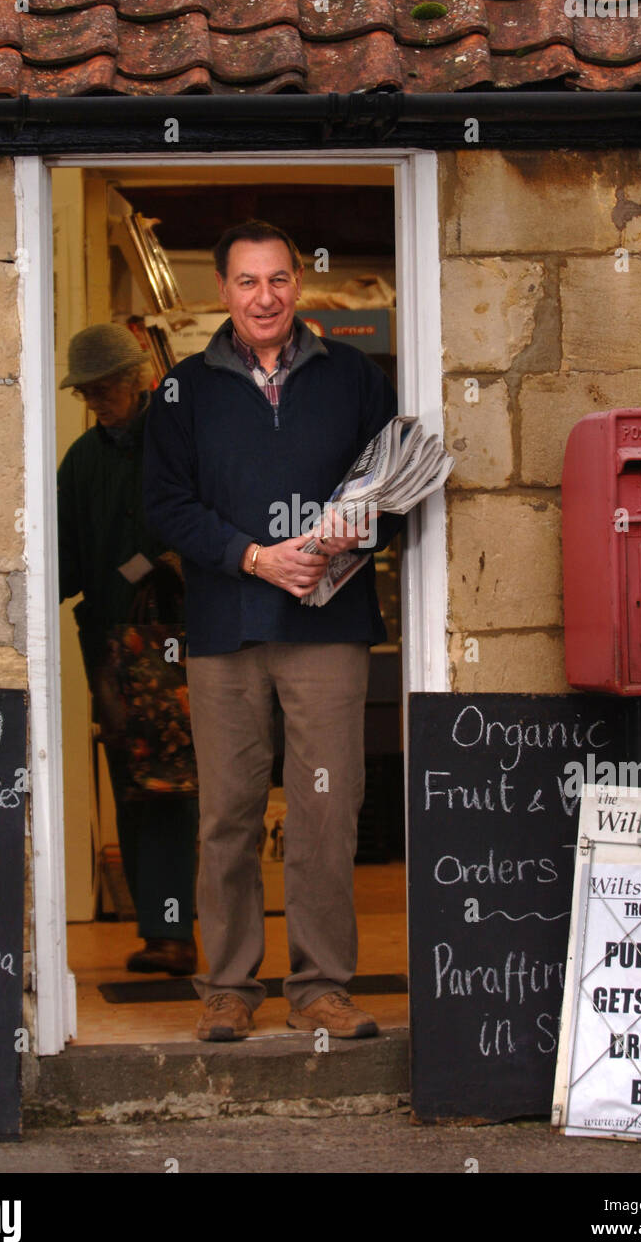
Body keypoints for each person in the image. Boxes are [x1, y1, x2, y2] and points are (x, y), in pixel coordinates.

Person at [143, 220, 402, 1040]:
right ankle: (227, 986)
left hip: (329, 625)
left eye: (280, 279)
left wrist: (341, 538)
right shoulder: (182, 390)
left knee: (328, 810)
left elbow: (394, 489)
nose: (266, 296)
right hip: (225, 628)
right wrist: (254, 557)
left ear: (300, 283)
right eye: (248, 281)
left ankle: (321, 986)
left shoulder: (355, 376)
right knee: (228, 811)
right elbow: (165, 506)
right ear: (222, 290)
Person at [57, 323, 199, 976]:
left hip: (174, 641)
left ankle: (173, 933)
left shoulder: (177, 444)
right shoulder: (81, 462)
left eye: (105, 387)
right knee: (131, 787)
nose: (98, 401)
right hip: (110, 646)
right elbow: (64, 566)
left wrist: (154, 567)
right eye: (88, 393)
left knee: (167, 783)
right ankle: (157, 931)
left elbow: (207, 532)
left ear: (140, 378)